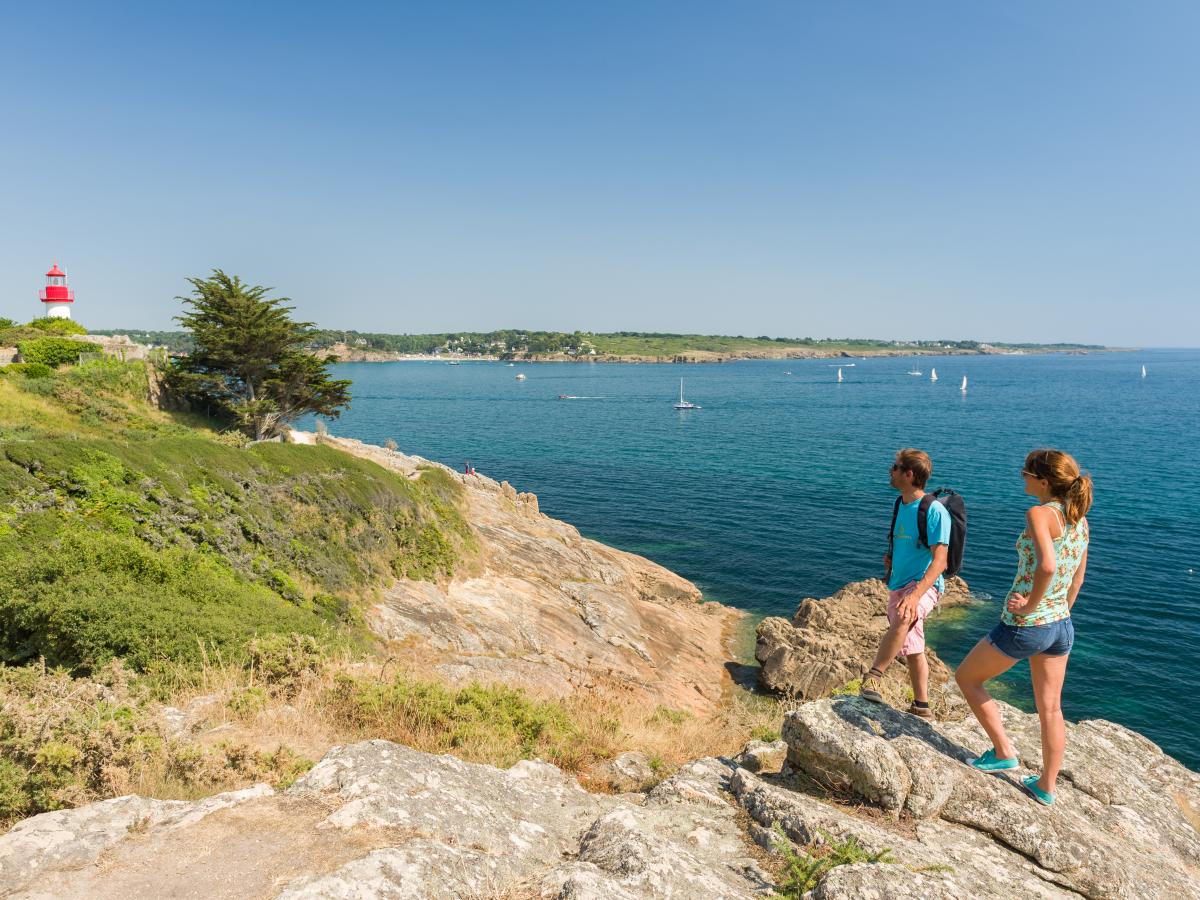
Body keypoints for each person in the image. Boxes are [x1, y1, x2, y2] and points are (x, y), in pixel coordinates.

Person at [954, 449, 1092, 807]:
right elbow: (1076, 580)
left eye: (1026, 473)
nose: (1022, 477)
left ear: (1043, 481)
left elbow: (1046, 566)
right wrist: (1055, 611)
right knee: (1051, 709)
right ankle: (1046, 786)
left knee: (967, 678)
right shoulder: (1079, 518)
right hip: (1061, 624)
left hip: (1026, 624)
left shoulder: (1039, 514)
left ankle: (1003, 751)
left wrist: (1031, 606)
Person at [861, 448, 950, 719]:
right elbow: (908, 541)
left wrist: (915, 596)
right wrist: (893, 559)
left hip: (924, 586)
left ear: (909, 474)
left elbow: (940, 561)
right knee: (914, 646)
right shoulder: (901, 503)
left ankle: (874, 676)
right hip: (899, 582)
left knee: (904, 616)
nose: (891, 470)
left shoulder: (934, 511)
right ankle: (922, 706)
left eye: (895, 467)